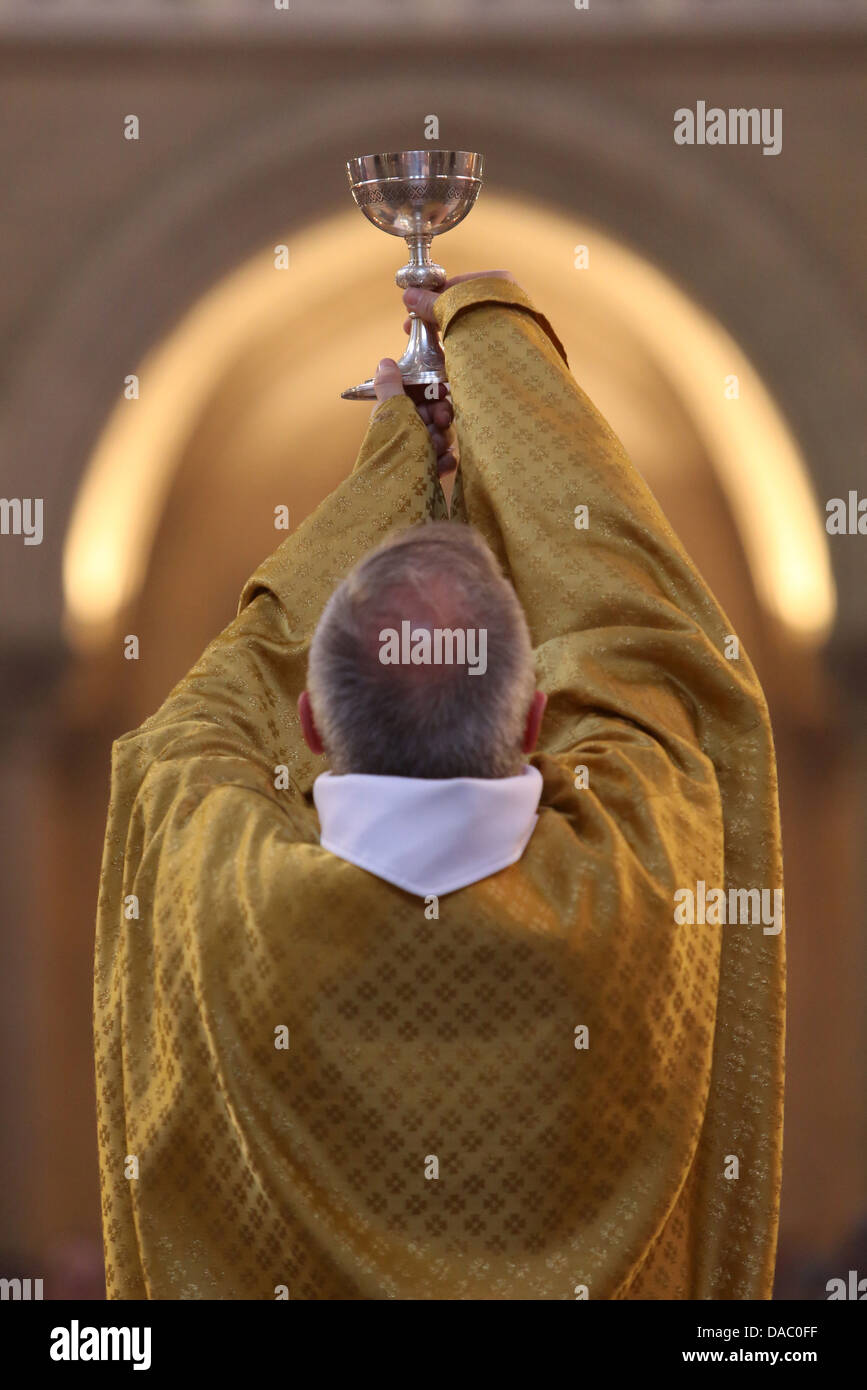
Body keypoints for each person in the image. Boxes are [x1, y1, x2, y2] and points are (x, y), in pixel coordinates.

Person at [93, 271, 785, 1300]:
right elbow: (642, 632)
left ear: (315, 724)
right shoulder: (643, 883)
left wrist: (403, 448)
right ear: (540, 719)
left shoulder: (211, 886)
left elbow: (227, 684)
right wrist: (484, 337)